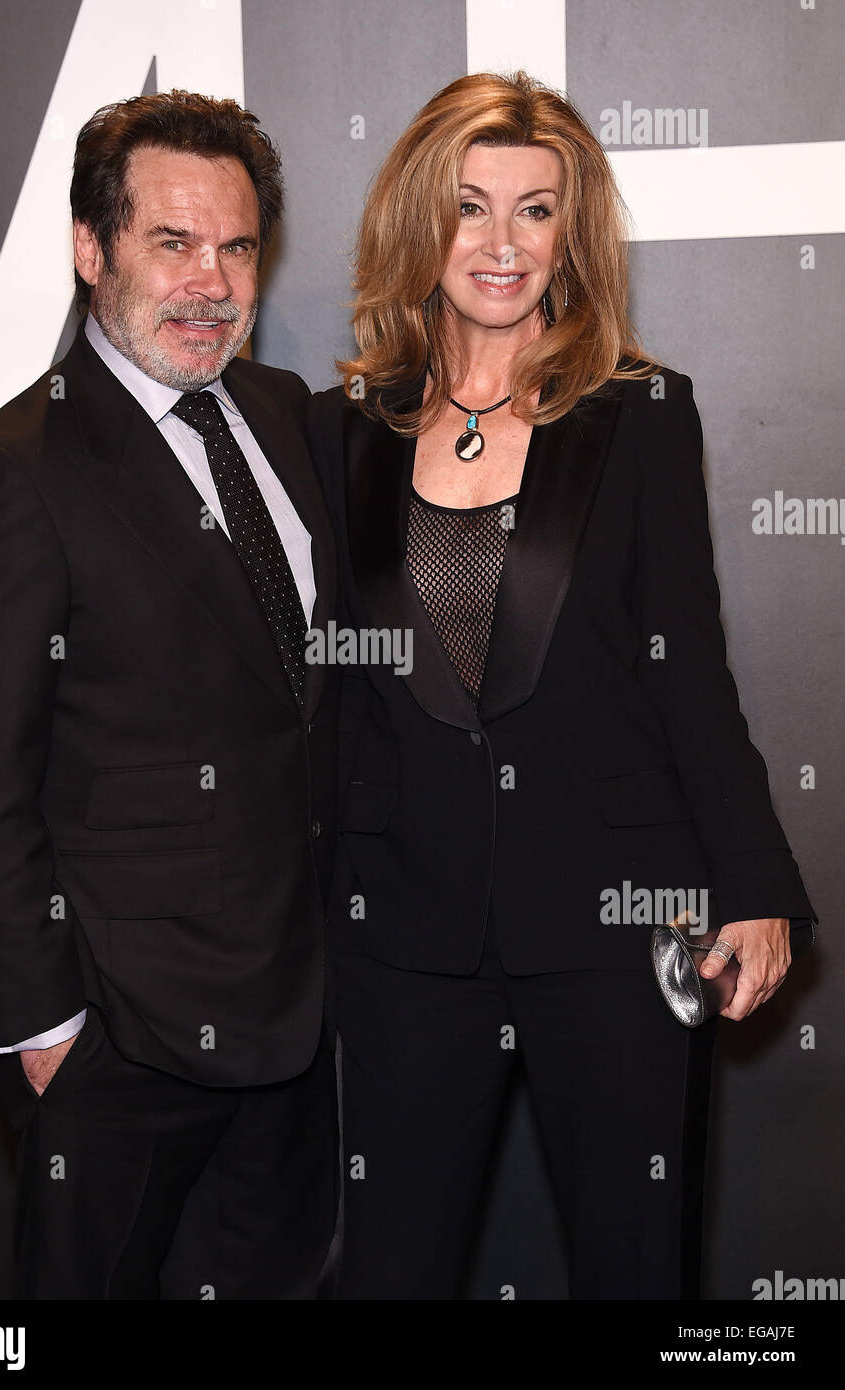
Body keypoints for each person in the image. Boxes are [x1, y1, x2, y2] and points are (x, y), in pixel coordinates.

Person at [306, 70, 816, 1300]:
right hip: (403, 933)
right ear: (413, 221)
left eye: (534, 211)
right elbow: (321, 694)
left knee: (637, 1272)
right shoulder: (335, 429)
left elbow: (689, 670)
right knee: (390, 1271)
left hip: (612, 918)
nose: (499, 244)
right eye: (468, 206)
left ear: (567, 232)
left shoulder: (638, 414)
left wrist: (751, 880)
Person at [0, 90, 339, 1299]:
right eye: (172, 241)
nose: (211, 281)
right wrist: (48, 1036)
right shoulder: (7, 477)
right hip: (123, 1048)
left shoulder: (276, 416)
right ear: (89, 247)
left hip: (301, 1034)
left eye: (238, 246)